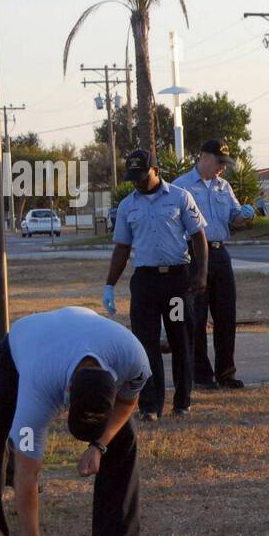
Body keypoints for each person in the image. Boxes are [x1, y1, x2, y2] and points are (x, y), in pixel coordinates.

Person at [0, 306, 150, 536]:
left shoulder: (133, 359)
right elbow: (27, 471)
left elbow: (127, 402)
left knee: (124, 440)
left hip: (82, 332)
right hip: (22, 347)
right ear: (68, 393)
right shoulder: (38, 391)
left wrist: (99, 445)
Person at [103, 149, 208, 421]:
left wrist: (201, 273)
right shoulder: (128, 206)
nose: (137, 182)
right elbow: (122, 249)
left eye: (142, 176)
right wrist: (109, 285)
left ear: (156, 171)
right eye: (133, 177)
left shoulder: (179, 197)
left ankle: (182, 402)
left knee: (180, 339)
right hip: (146, 284)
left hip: (176, 281)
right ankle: (150, 406)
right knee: (145, 344)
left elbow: (198, 236)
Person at [172, 139, 256, 391]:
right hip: (195, 255)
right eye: (219, 162)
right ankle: (201, 374)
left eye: (225, 164)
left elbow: (234, 217)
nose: (222, 168)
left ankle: (226, 373)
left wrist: (247, 215)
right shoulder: (181, 187)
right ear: (204, 157)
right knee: (196, 317)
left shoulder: (224, 187)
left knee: (226, 316)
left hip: (220, 253)